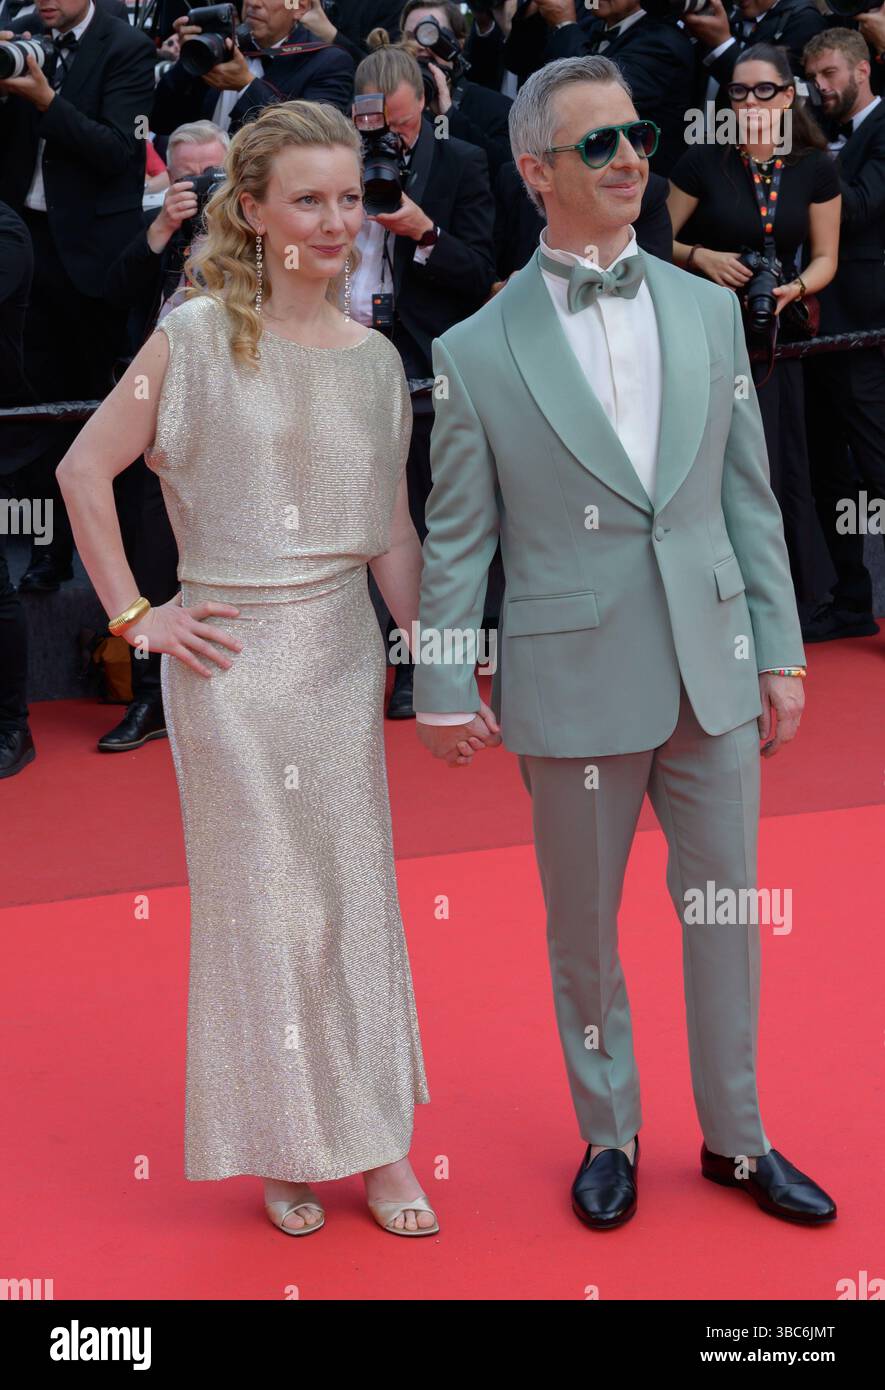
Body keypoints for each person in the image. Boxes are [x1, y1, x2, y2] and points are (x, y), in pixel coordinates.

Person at [413, 55, 837, 1228]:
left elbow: (748, 498)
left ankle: (739, 1140)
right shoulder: (476, 352)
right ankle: (611, 1130)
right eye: (600, 144)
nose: (632, 159)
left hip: (715, 669)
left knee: (728, 915)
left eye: (639, 135)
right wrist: (443, 681)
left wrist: (782, 649)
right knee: (584, 936)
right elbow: (457, 538)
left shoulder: (707, 310)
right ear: (537, 169)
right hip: (573, 677)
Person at [56, 100, 464, 1238]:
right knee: (268, 910)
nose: (338, 221)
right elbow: (86, 472)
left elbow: (389, 533)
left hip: (340, 659)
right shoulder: (193, 339)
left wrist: (436, 660)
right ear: (252, 211)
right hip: (230, 668)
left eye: (350, 198)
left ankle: (380, 1146)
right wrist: (139, 615)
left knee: (354, 904)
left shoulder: (379, 359)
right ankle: (284, 1140)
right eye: (309, 200)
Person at [350, 41, 497, 717]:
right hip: (343, 356)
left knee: (427, 520)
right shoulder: (332, 165)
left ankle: (421, 660)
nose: (392, 142)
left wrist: (423, 230)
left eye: (404, 128)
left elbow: (476, 272)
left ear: (427, 109)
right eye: (377, 131)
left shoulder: (462, 161)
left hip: (422, 364)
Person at [667, 43, 841, 610]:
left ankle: (789, 602)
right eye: (737, 91)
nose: (749, 101)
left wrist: (796, 287)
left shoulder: (815, 166)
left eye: (764, 89)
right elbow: (649, 242)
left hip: (779, 337)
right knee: (716, 464)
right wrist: (700, 258)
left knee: (780, 462)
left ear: (789, 96)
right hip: (707, 335)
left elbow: (825, 258)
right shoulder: (702, 160)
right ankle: (714, 598)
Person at [0, 0, 157, 593]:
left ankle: (112, 569)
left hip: (93, 259)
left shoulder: (126, 49)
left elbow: (118, 152)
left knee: (97, 411)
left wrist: (46, 102)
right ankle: (47, 554)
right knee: (33, 410)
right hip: (24, 245)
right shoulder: (22, 39)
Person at [801, 28, 885, 642]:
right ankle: (850, 601)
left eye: (829, 74)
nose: (819, 87)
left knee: (879, 467)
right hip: (814, 329)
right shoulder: (818, 133)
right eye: (813, 77)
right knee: (829, 470)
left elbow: (857, 207)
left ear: (862, 71)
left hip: (866, 326)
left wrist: (807, 166)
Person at [150, 0, 356, 148]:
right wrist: (192, 59)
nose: (254, 3)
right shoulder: (221, 45)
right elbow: (159, 120)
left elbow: (313, 140)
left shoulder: (329, 62)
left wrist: (247, 86)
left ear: (298, 7)